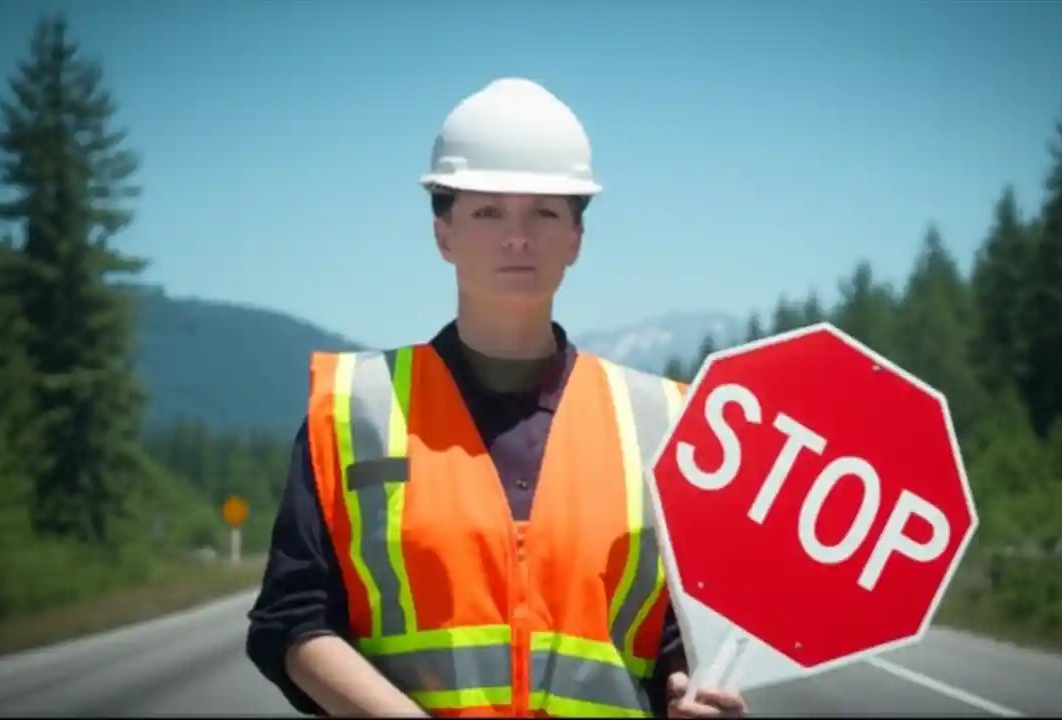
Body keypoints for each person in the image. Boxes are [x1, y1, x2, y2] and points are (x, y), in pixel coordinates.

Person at [245, 77, 748, 718]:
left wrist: (691, 688)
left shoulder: (663, 421)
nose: (517, 237)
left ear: (576, 238)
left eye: (544, 211)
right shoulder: (355, 409)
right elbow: (291, 617)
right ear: (443, 234)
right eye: (487, 212)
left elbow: (679, 630)